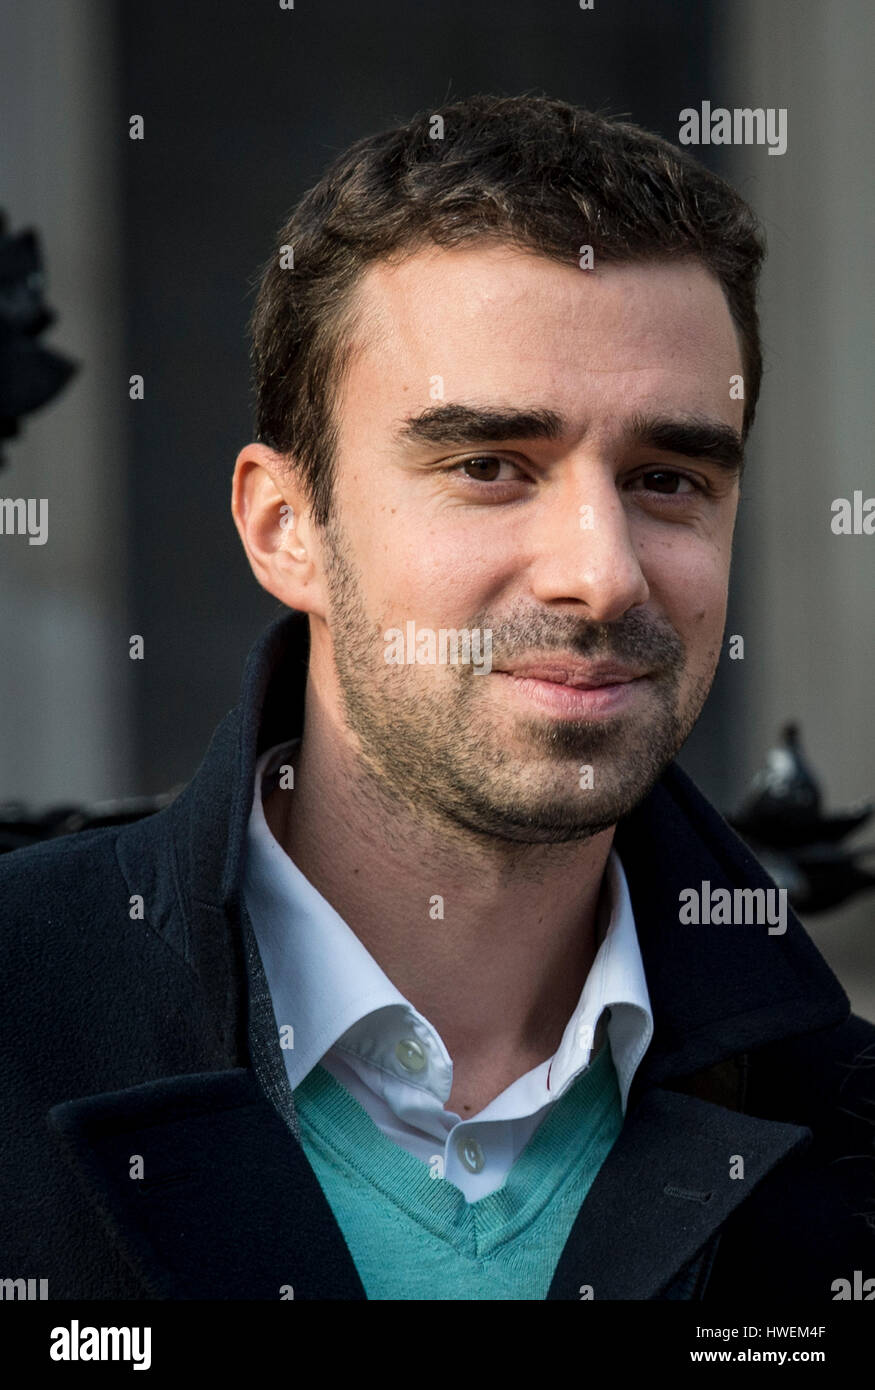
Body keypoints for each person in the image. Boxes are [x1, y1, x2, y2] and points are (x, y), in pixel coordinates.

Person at [2, 93, 872, 1302]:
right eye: (486, 466)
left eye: (667, 477)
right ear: (284, 526)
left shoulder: (847, 1129)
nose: (600, 570)